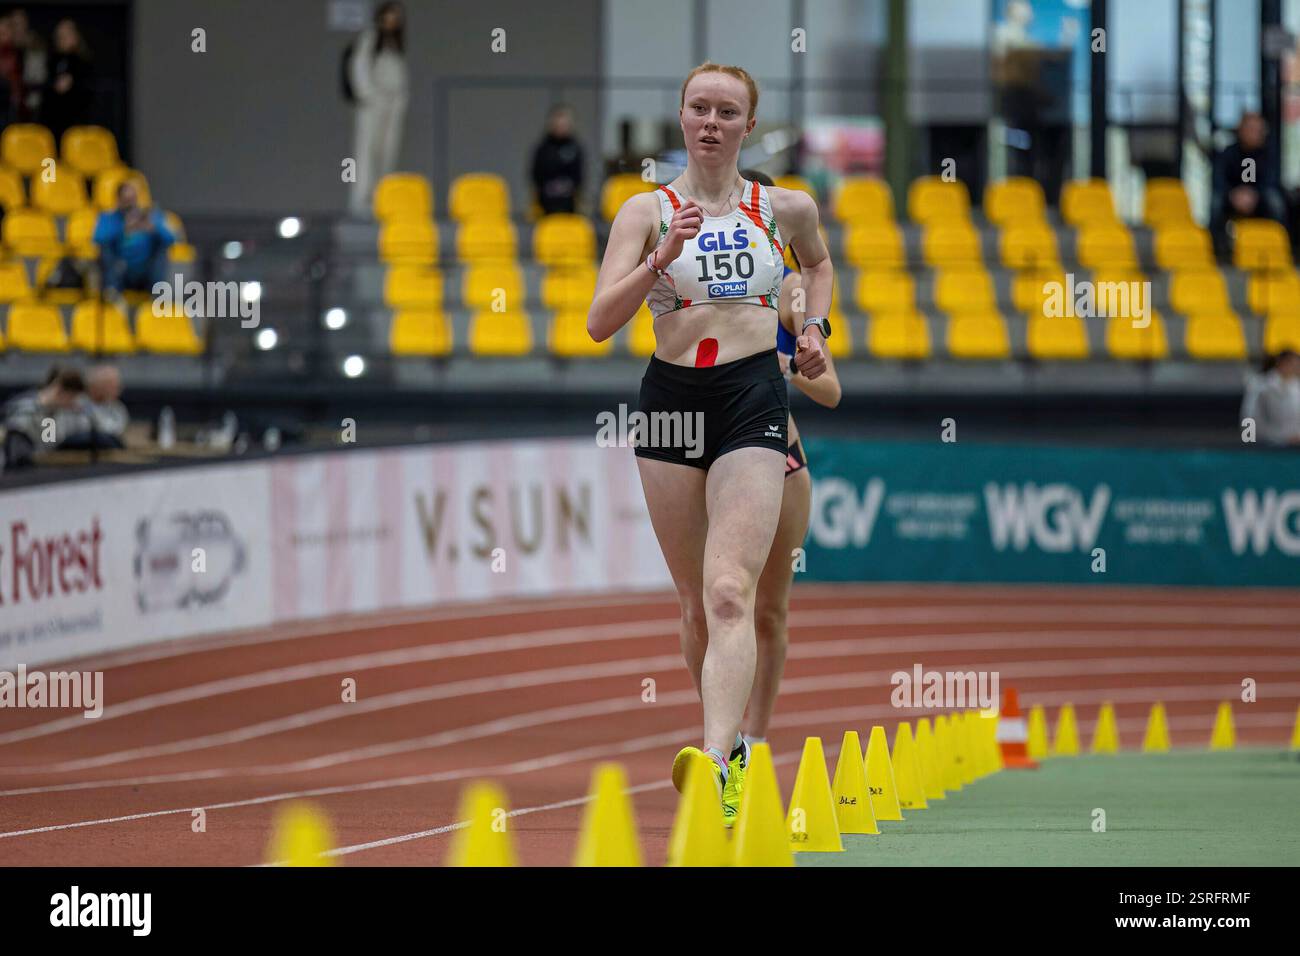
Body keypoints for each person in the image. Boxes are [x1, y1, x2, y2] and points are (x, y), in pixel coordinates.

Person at [588, 62, 834, 824]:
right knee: (696, 605)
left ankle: (723, 760)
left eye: (727, 111)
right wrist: (661, 259)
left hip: (752, 396)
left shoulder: (785, 206)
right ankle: (724, 748)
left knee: (734, 590)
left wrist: (815, 329)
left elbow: (819, 265)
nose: (710, 122)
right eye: (699, 108)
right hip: (669, 404)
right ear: (681, 116)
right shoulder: (644, 211)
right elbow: (599, 322)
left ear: (748, 126)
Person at [737, 170, 842, 751]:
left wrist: (792, 368)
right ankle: (719, 735)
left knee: (768, 612)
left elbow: (832, 393)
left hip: (782, 459)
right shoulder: (697, 284)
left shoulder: (794, 294)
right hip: (710, 454)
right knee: (714, 605)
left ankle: (753, 739)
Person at [347, 1, 408, 217]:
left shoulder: (396, 44)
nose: (392, 21)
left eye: (396, 17)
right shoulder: (370, 39)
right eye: (389, 16)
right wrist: (370, 95)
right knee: (367, 150)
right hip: (374, 103)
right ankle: (362, 198)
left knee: (387, 150)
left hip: (393, 103)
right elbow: (359, 67)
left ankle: (382, 195)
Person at [1211, 112, 1288, 257]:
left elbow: (1271, 181)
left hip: (1259, 199)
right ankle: (1217, 251)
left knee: (1275, 201)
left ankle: (1279, 248)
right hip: (1232, 198)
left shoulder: (1269, 154)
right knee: (1216, 201)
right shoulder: (1228, 152)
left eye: (1258, 130)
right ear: (1240, 130)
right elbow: (1219, 180)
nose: (1254, 133)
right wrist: (1233, 195)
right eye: (1250, 129)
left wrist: (1254, 194)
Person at [93, 180, 175, 294]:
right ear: (118, 200)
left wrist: (154, 229)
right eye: (126, 201)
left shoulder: (150, 216)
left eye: (132, 200)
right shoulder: (109, 218)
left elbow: (171, 239)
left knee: (162, 248)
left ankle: (158, 293)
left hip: (146, 271)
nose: (130, 205)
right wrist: (123, 228)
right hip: (121, 271)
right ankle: (111, 293)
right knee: (105, 250)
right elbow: (98, 239)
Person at [2, 365, 85, 467]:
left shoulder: (56, 413)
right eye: (72, 398)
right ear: (59, 390)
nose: (74, 404)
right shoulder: (23, 412)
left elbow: (50, 449)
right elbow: (17, 457)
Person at [41, 18, 92, 145]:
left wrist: (72, 82)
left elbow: (88, 90)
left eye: (66, 35)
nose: (62, 39)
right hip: (53, 120)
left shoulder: (83, 62)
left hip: (76, 120)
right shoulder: (52, 61)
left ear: (76, 36)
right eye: (59, 36)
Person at [531, 105, 584, 215]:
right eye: (558, 123)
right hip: (546, 202)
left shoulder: (575, 147)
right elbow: (536, 175)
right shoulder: (543, 148)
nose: (561, 127)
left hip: (569, 202)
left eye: (564, 124)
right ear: (552, 124)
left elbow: (579, 176)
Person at [61, 364, 128, 451]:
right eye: (112, 385)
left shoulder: (118, 409)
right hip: (71, 455)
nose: (118, 390)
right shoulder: (72, 404)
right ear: (96, 386)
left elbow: (113, 434)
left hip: (107, 456)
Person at [1249, 350, 1300, 447]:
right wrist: (1282, 438)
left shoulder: (1296, 386)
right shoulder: (1261, 386)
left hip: (1294, 447)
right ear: (1283, 363)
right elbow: (1250, 419)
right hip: (1269, 448)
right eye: (1295, 365)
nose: (1297, 368)